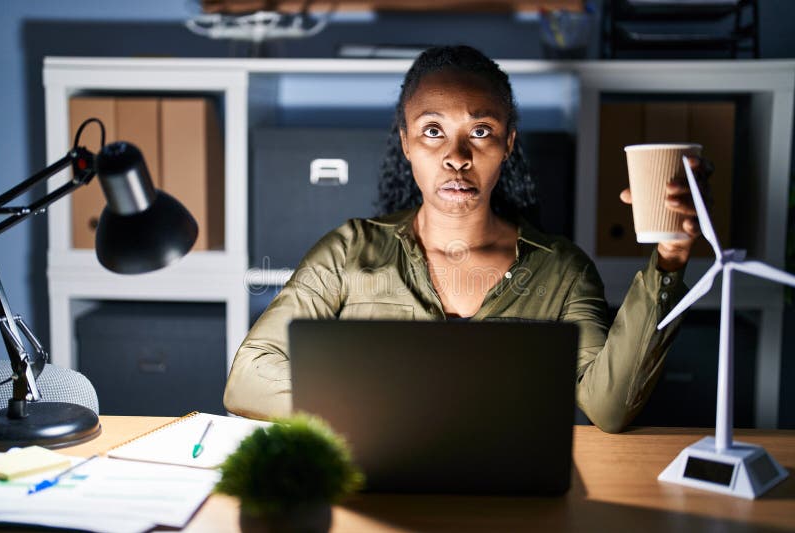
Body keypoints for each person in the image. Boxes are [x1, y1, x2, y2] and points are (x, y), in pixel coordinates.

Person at [224, 45, 709, 433]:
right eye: (433, 130)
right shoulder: (348, 251)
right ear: (407, 143)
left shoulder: (561, 269)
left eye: (480, 130)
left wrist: (670, 257)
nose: (457, 156)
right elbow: (247, 377)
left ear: (508, 144)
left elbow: (609, 407)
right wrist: (381, 408)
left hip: (507, 500)